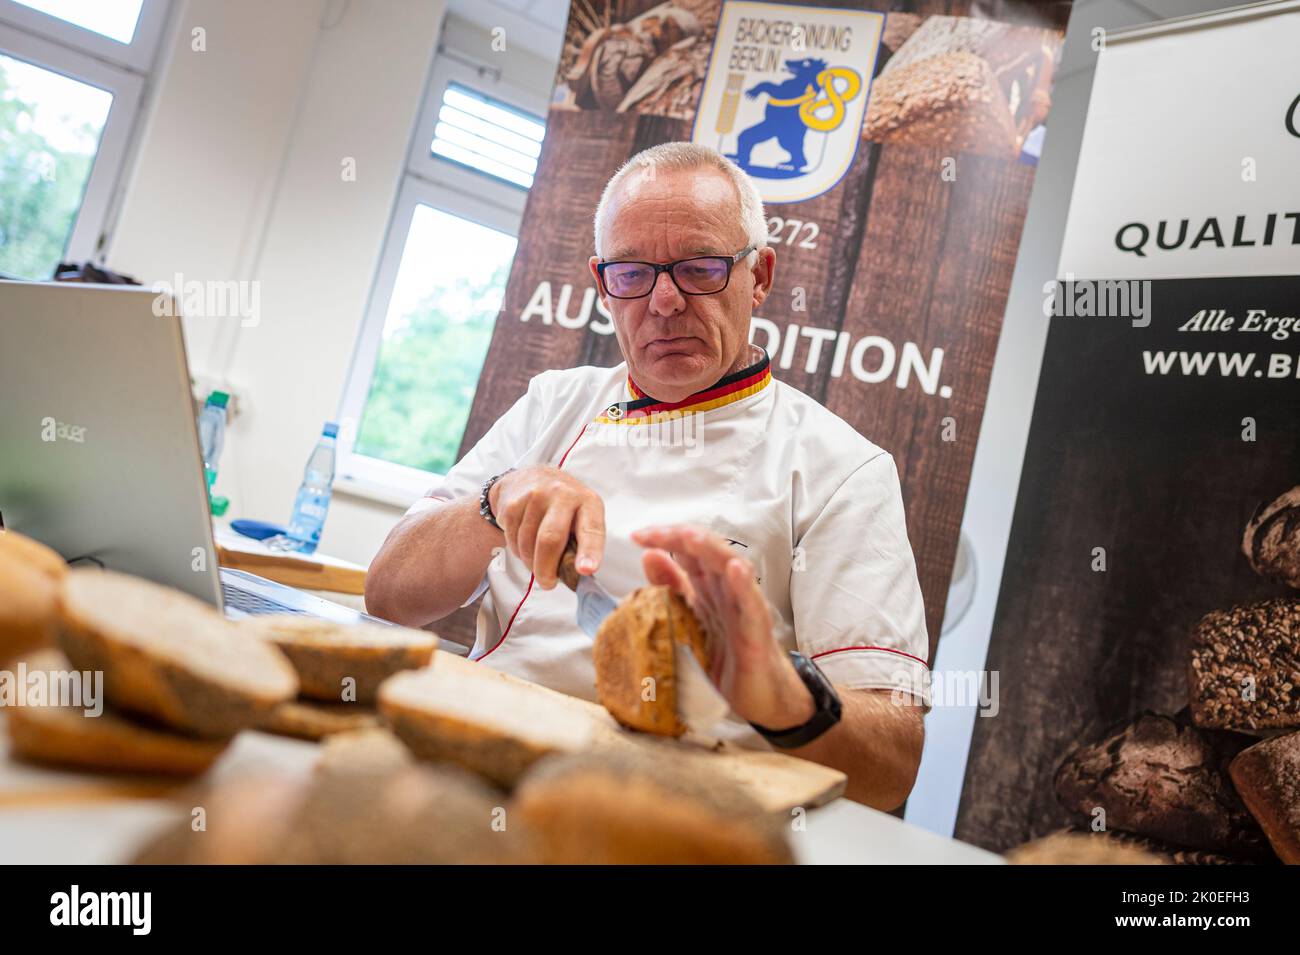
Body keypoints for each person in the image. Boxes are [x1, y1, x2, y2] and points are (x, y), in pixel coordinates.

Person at [367, 142, 929, 809]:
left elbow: (893, 764)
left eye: (699, 268)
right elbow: (388, 595)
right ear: (603, 282)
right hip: (476, 767)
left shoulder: (842, 470)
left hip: (670, 810)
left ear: (761, 275)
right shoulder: (555, 402)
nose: (664, 301)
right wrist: (493, 503)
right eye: (632, 274)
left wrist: (780, 693)